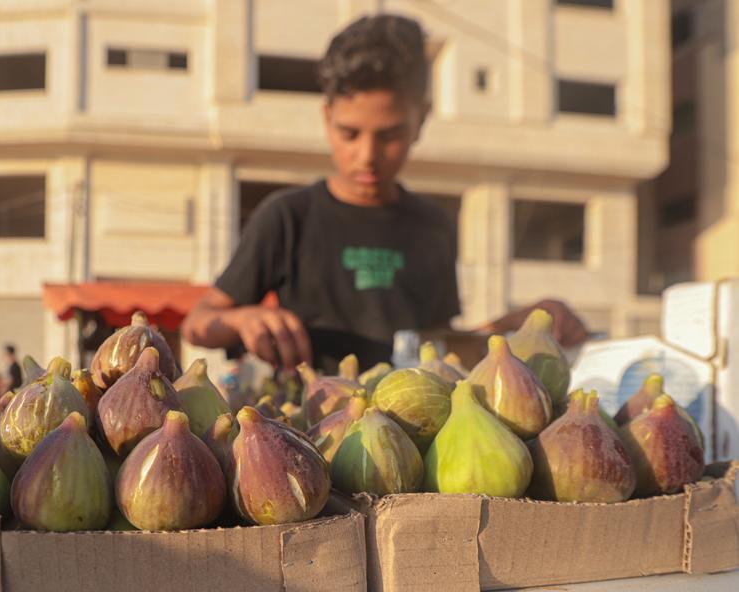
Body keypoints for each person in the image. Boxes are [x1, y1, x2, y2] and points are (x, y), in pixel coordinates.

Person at [181, 14, 587, 374]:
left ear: (421, 119)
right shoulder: (288, 216)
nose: (368, 155)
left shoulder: (433, 226)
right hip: (310, 426)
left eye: (390, 135)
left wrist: (519, 324)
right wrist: (241, 321)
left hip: (412, 429)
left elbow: (440, 344)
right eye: (349, 133)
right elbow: (199, 323)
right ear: (327, 118)